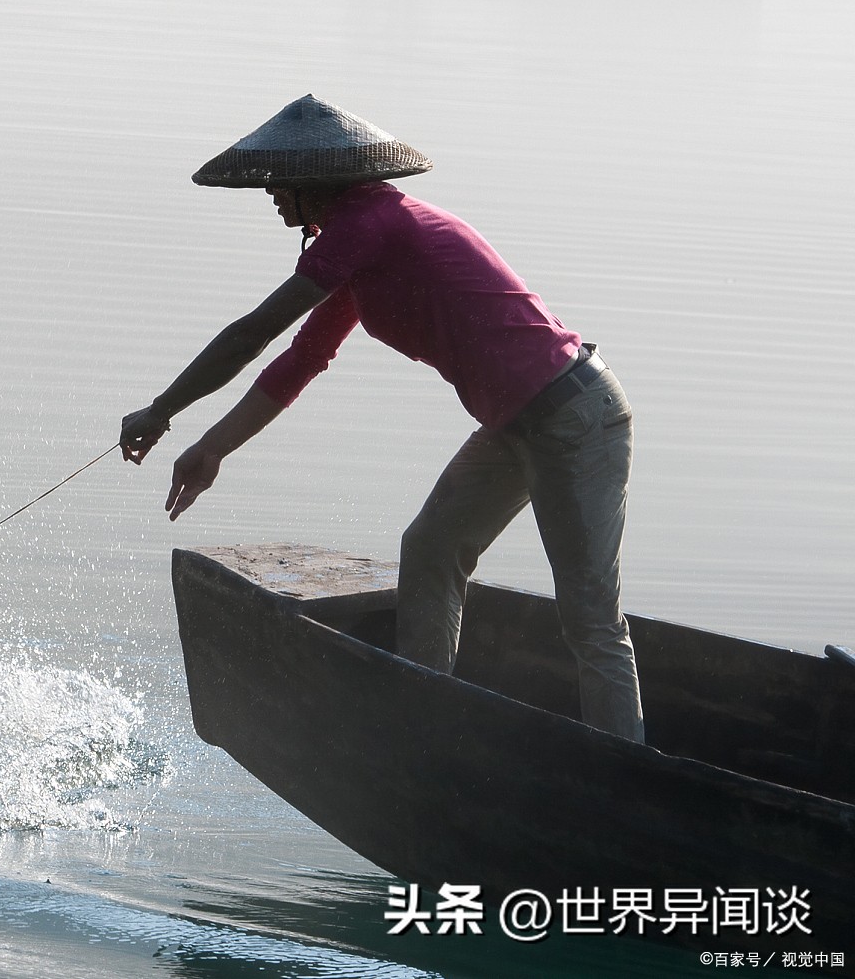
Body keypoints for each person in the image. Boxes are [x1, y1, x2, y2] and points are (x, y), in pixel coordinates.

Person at [119, 95, 644, 743]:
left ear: (318, 186)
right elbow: (301, 360)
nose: (275, 201)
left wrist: (163, 409)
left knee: (591, 618)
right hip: (517, 424)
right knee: (430, 549)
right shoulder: (358, 247)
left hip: (573, 412)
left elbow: (251, 334)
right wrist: (213, 447)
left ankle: (625, 763)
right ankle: (424, 724)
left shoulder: (370, 225)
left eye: (281, 188)